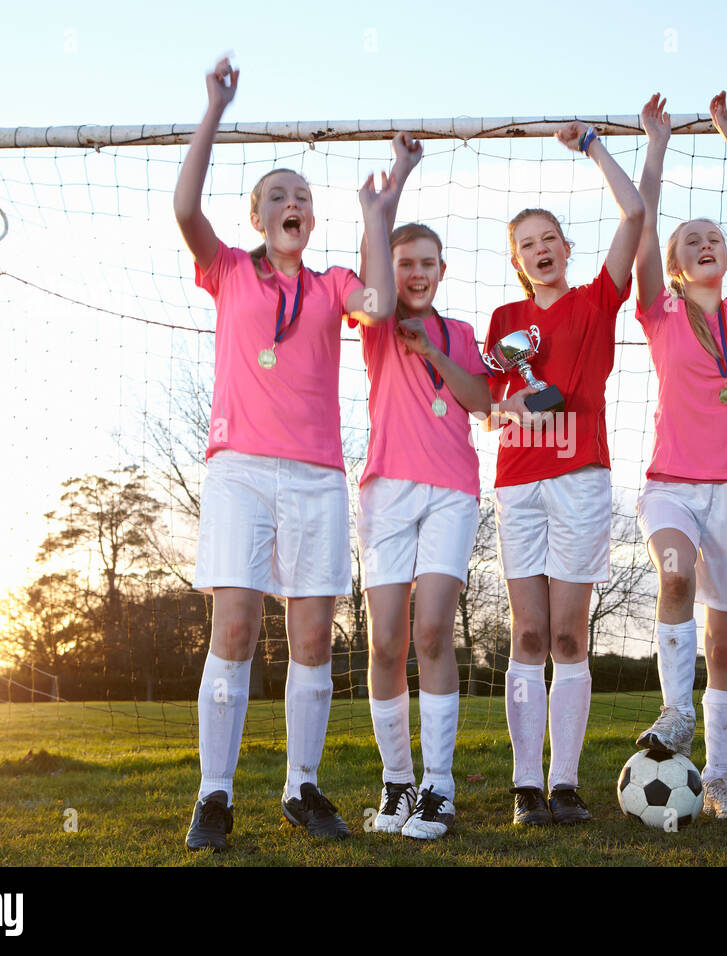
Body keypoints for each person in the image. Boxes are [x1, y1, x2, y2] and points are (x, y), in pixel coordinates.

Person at [174, 57, 397, 851]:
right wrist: (213, 109)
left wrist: (379, 207)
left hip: (316, 479)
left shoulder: (334, 282)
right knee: (232, 630)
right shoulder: (228, 269)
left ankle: (302, 789)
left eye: (303, 196)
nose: (293, 203)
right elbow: (184, 205)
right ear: (256, 215)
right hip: (238, 471)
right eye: (278, 196)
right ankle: (215, 795)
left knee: (311, 641)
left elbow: (382, 303)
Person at [483, 122, 644, 825]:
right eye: (528, 244)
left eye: (550, 239)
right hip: (519, 481)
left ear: (567, 250)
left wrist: (593, 147)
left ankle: (566, 785)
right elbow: (492, 408)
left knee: (570, 637)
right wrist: (508, 404)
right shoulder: (504, 320)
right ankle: (525, 788)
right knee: (527, 636)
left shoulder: (594, 301)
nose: (541, 250)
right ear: (517, 261)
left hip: (581, 476)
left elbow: (635, 214)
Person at [632, 92, 727, 820]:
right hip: (672, 487)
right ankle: (672, 711)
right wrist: (655, 144)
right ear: (674, 265)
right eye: (692, 241)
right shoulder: (659, 313)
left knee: (726, 646)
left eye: (711, 237)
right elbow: (645, 222)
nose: (706, 243)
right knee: (675, 576)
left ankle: (718, 777)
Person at [353, 134, 493, 840]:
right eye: (404, 262)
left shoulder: (461, 332)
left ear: (441, 270)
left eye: (425, 263)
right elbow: (372, 273)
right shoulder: (373, 325)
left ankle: (439, 788)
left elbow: (476, 401)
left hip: (450, 494)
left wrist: (434, 348)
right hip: (388, 492)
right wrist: (395, 184)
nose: (414, 272)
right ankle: (397, 783)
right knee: (385, 644)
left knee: (433, 629)